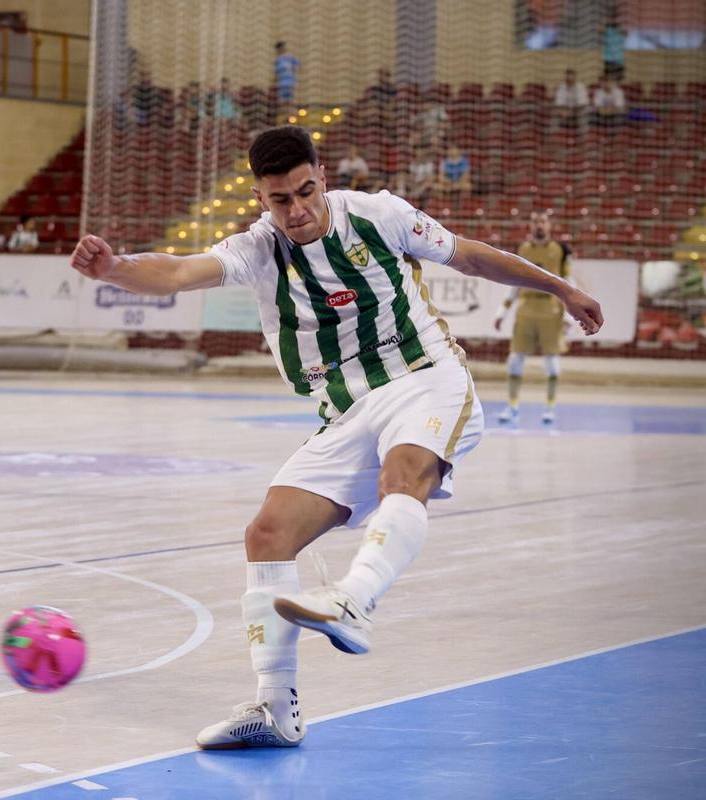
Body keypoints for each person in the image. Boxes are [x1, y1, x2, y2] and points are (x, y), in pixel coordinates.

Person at [69, 125, 602, 750]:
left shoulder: (379, 215)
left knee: (403, 475)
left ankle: (356, 598)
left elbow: (469, 256)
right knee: (267, 534)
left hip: (424, 377)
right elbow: (179, 272)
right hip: (348, 412)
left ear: (323, 177)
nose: (297, 210)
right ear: (261, 198)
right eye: (280, 199)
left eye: (306, 191)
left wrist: (561, 287)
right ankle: (275, 709)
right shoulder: (259, 248)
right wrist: (115, 269)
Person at [493, 211, 574, 425]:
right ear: (530, 225)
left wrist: (568, 316)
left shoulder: (560, 250)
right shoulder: (522, 249)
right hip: (526, 311)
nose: (539, 224)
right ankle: (512, 406)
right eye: (535, 221)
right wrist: (502, 312)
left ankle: (550, 407)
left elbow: (568, 283)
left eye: (543, 221)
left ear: (549, 225)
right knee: (514, 361)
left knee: (552, 364)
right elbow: (514, 284)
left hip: (551, 313)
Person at [273, 41, 299, 113]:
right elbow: (276, 73)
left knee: (291, 99)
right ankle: (284, 114)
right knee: (282, 101)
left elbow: (297, 66)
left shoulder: (290, 57)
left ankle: (292, 114)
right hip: (282, 83)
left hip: (290, 81)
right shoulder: (278, 60)